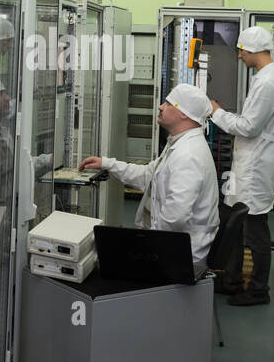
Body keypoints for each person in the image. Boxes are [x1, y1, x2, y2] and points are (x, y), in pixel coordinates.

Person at [80, 84, 219, 275]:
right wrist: (107, 164)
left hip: (182, 256)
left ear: (184, 113)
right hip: (169, 244)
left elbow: (174, 218)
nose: (161, 106)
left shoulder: (188, 155)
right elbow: (147, 175)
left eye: (168, 103)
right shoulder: (178, 143)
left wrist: (144, 247)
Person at [209, 26, 274, 306]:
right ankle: (230, 280)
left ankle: (258, 289)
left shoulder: (268, 82)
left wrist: (215, 111)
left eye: (242, 50)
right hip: (252, 162)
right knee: (237, 222)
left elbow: (249, 127)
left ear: (253, 50)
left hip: (256, 166)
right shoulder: (267, 77)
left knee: (255, 229)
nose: (240, 55)